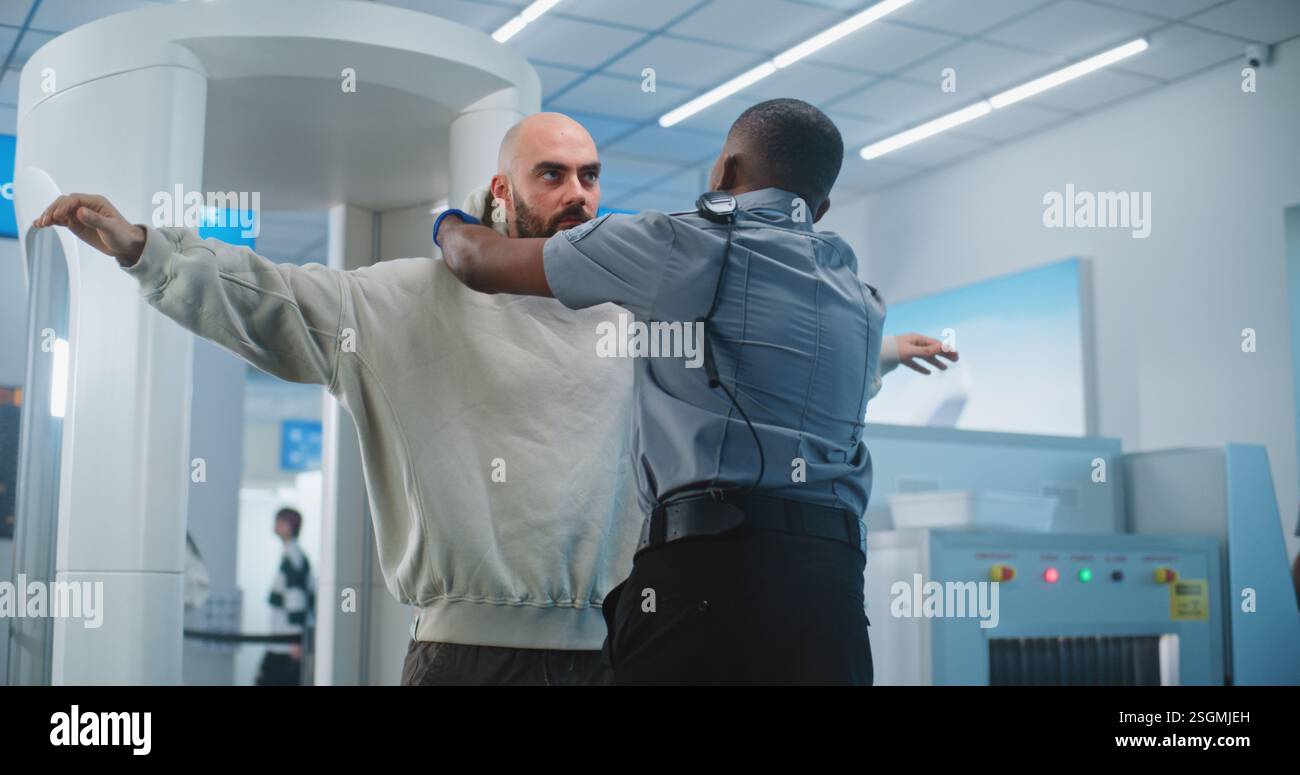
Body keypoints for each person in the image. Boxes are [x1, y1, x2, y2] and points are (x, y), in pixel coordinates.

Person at [34, 112, 948, 686]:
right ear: (501, 193)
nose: (579, 193)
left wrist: (882, 352)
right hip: (468, 658)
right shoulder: (408, 298)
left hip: (621, 647)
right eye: (553, 174)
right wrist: (147, 248)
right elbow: (275, 299)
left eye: (591, 175)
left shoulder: (640, 311)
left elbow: (745, 376)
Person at [436, 98, 904, 684]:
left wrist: (448, 220)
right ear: (821, 205)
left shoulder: (681, 245)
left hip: (708, 583)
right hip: (833, 597)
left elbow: (479, 261)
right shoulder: (863, 300)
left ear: (726, 174)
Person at [256, 507, 315, 686]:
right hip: (282, 643)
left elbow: (296, 598)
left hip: (286, 645)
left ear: (289, 526)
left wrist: (295, 640)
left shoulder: (293, 556)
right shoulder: (291, 555)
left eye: (279, 521)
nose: (275, 525)